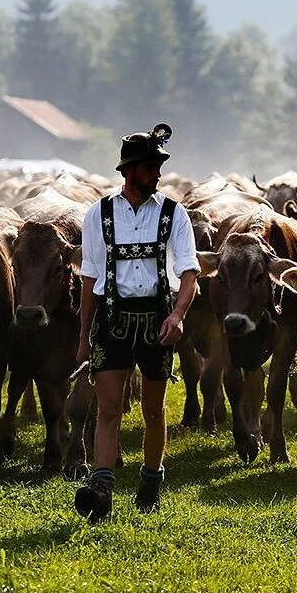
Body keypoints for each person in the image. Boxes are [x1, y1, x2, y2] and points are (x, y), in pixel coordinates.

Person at [73, 123, 199, 523]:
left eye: (157, 167)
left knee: (152, 410)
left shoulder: (173, 213)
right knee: (108, 409)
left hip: (157, 320)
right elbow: (90, 276)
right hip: (113, 318)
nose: (157, 174)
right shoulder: (99, 214)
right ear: (129, 170)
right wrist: (83, 336)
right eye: (150, 167)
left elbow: (189, 272)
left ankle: (150, 480)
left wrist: (178, 315)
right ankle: (101, 489)